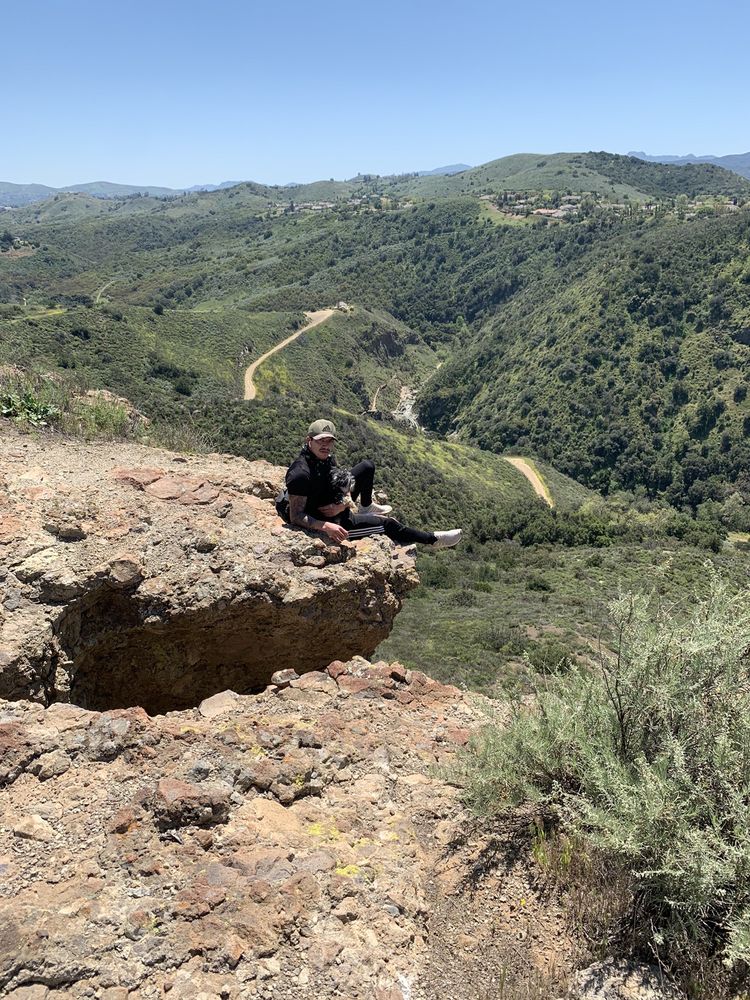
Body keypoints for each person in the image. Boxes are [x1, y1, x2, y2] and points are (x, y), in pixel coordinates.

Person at [283, 419, 462, 548]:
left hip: (333, 504)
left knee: (366, 467)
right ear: (309, 440)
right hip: (331, 521)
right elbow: (296, 516)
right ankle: (432, 540)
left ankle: (366, 506)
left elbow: (339, 479)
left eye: (329, 441)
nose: (326, 446)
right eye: (320, 440)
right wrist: (326, 526)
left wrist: (343, 503)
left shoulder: (323, 458)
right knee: (387, 524)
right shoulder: (300, 473)